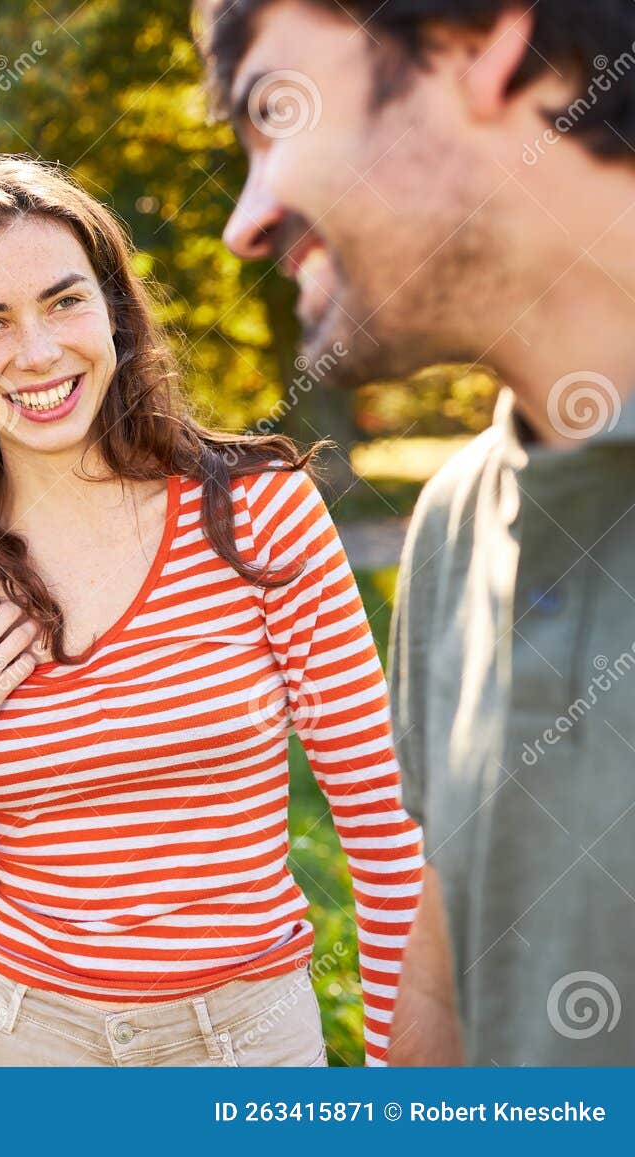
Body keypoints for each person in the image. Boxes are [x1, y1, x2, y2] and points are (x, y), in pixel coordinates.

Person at [0, 155, 434, 1067]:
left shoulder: (257, 514)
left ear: (114, 312)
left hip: (248, 1037)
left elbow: (383, 826)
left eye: (65, 301)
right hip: (23, 1039)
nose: (40, 351)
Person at [199, 0, 635, 1065]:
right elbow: (439, 973)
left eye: (271, 109)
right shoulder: (451, 529)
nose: (243, 223)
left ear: (483, 39)